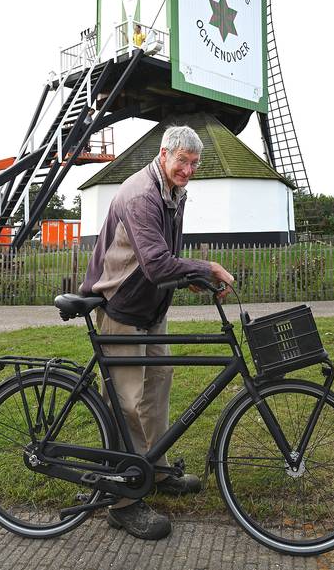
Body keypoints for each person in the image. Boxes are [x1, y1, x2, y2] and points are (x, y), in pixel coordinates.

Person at [80, 125, 233, 541]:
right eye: (182, 160)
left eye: (194, 163)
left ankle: (157, 468)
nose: (188, 169)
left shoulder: (172, 192)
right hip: (122, 305)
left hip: (150, 306)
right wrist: (206, 268)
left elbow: (164, 260)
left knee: (156, 390)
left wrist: (190, 280)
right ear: (164, 154)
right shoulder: (142, 194)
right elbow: (155, 264)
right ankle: (123, 501)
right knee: (126, 402)